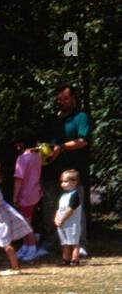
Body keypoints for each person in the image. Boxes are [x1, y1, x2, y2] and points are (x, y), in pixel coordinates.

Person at [43, 85, 91, 249]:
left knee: (76, 208)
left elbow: (83, 140)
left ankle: (80, 244)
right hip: (51, 171)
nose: (62, 102)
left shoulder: (81, 117)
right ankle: (54, 242)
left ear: (73, 99)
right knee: (51, 207)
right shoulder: (51, 119)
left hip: (73, 172)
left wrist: (61, 147)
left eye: (66, 98)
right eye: (59, 99)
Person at [11, 130, 42, 262]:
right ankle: (26, 247)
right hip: (35, 192)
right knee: (26, 221)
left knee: (26, 224)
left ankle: (32, 249)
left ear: (21, 144)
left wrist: (15, 197)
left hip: (25, 195)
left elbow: (18, 179)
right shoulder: (37, 156)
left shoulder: (22, 158)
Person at [54, 169, 83, 266]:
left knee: (74, 242)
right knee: (64, 243)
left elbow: (70, 209)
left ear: (74, 182)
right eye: (62, 182)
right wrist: (56, 218)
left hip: (72, 224)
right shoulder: (63, 196)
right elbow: (59, 209)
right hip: (62, 224)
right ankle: (65, 259)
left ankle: (75, 260)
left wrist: (62, 219)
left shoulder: (75, 195)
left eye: (66, 182)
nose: (63, 184)